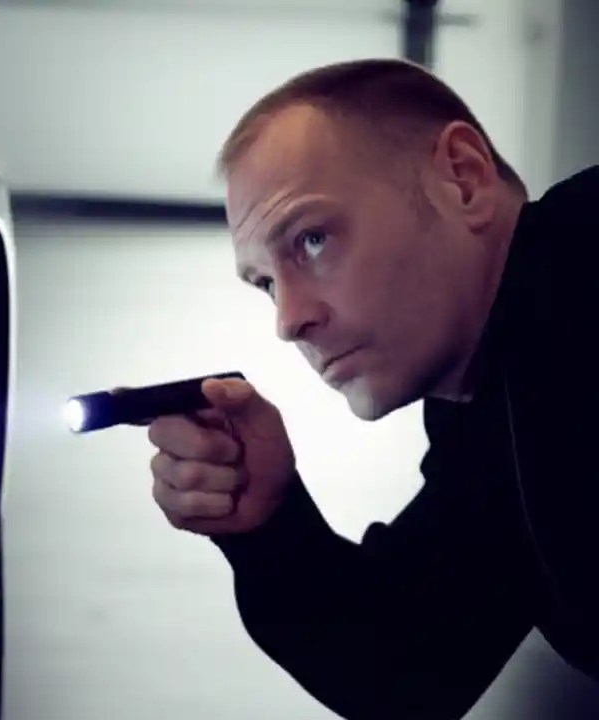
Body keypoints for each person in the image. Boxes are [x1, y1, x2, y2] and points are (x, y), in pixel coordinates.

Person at [145, 57, 599, 719]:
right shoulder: (490, 408)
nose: (289, 318)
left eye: (313, 239)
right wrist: (267, 524)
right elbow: (406, 670)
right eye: (267, 282)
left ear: (464, 179)